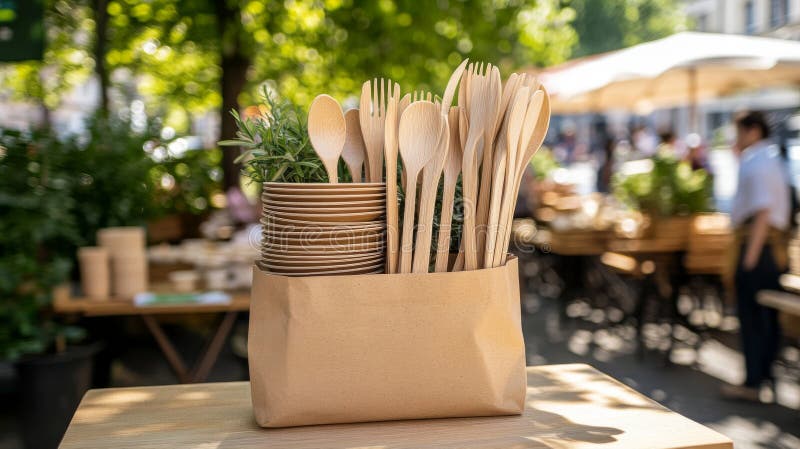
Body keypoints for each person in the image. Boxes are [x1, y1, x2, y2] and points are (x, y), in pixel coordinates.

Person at [723, 111, 789, 402]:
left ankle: (753, 381)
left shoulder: (758, 162)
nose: (735, 138)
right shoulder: (767, 158)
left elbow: (762, 211)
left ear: (751, 130)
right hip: (766, 248)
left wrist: (749, 257)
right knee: (766, 319)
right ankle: (763, 377)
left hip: (758, 248)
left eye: (738, 131)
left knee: (753, 318)